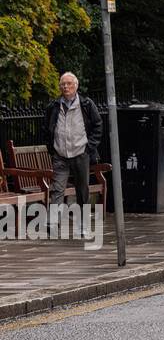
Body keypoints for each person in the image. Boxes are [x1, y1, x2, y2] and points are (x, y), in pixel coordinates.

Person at [43, 72, 103, 234]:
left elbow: (98, 125)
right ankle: (52, 222)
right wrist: (52, 148)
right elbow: (46, 129)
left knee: (82, 189)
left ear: (76, 86)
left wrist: (89, 147)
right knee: (57, 188)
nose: (66, 87)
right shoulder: (53, 106)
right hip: (60, 154)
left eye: (69, 84)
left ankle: (82, 224)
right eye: (63, 84)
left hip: (80, 153)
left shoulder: (86, 104)